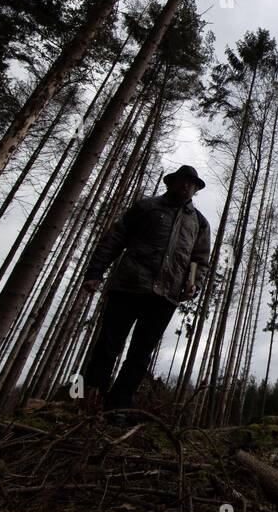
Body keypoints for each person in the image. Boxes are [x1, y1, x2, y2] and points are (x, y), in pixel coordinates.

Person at [80, 164, 212, 410]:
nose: (186, 186)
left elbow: (200, 260)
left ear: (195, 189)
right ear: (170, 183)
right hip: (129, 286)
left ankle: (119, 405)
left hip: (166, 296)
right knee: (108, 344)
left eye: (191, 184)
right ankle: (88, 398)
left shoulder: (200, 223)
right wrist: (95, 272)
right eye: (182, 181)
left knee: (141, 353)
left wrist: (196, 285)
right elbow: (115, 238)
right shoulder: (146, 207)